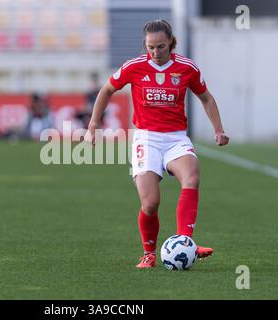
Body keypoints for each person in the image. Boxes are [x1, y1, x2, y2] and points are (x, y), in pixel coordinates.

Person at [84, 19, 229, 268]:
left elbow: (206, 98)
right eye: (150, 47)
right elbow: (106, 90)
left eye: (161, 47)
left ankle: (186, 242)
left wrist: (219, 129)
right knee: (150, 204)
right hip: (146, 138)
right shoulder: (134, 67)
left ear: (171, 43)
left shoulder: (186, 68)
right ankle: (149, 254)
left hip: (176, 138)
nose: (155, 53)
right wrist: (93, 125)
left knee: (192, 177)